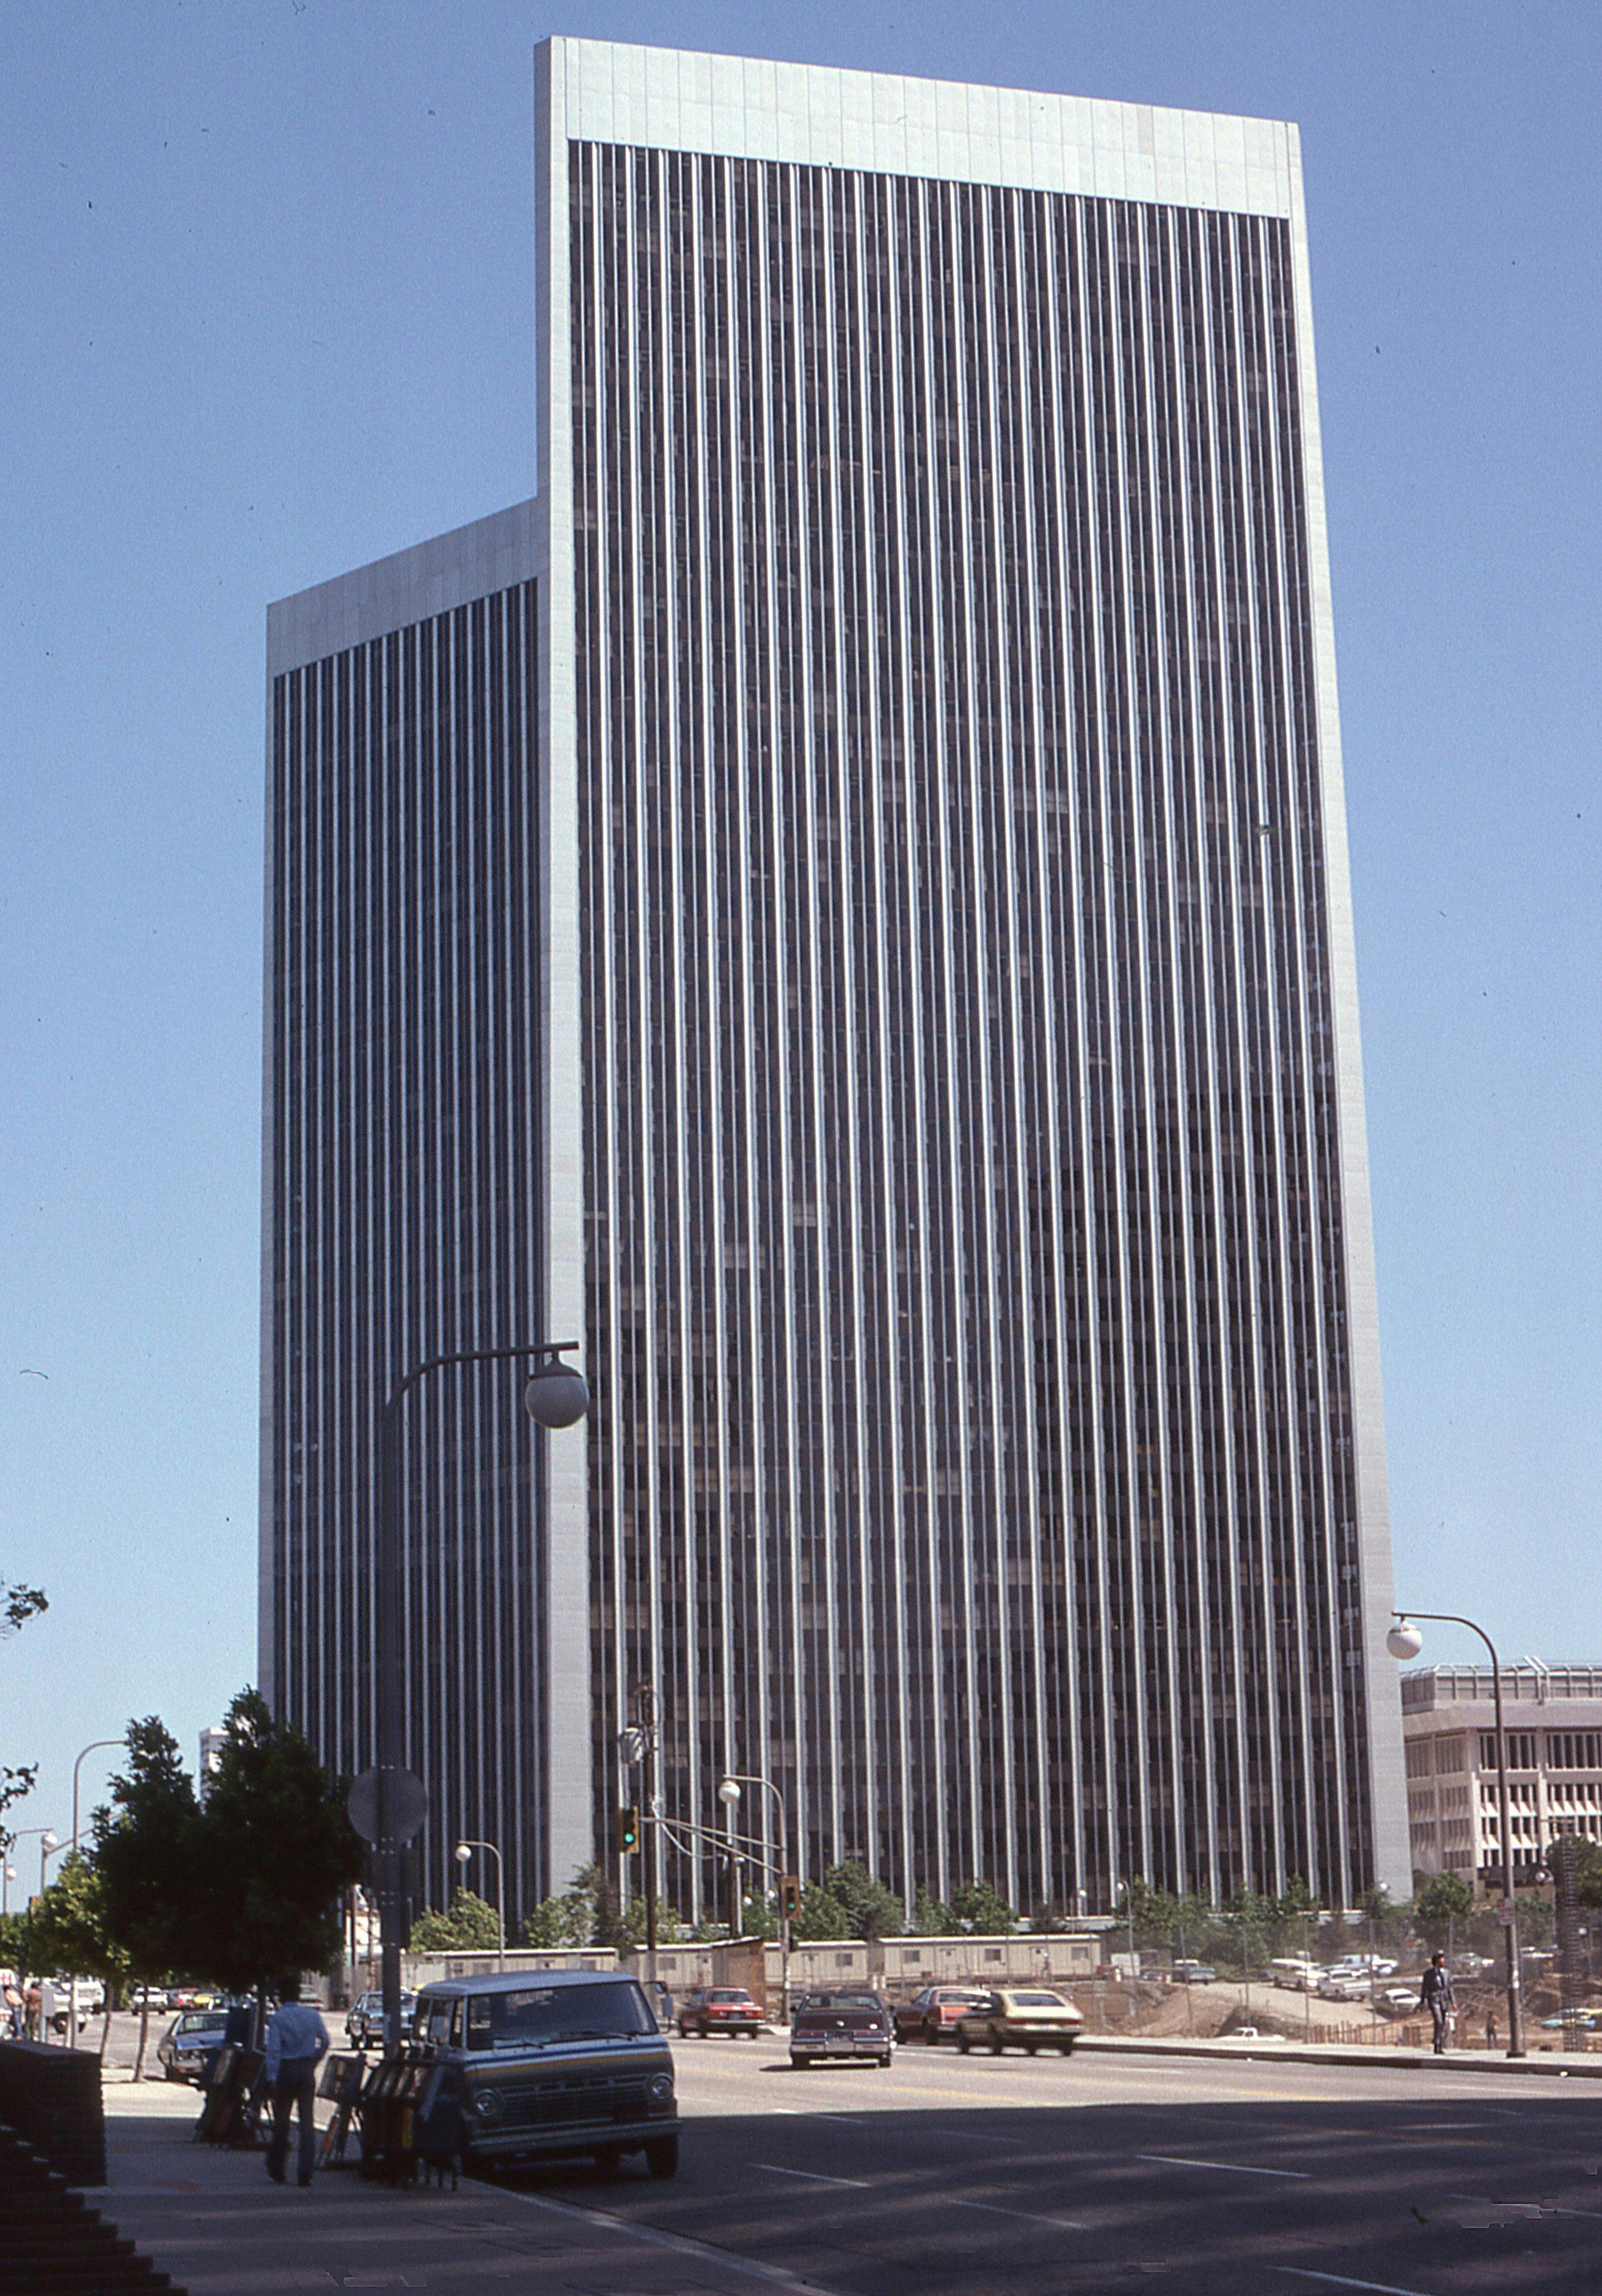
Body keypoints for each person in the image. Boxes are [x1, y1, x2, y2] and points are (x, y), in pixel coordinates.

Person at [262, 1982, 330, 2186]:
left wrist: (272, 2077)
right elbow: (325, 2041)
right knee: (307, 2122)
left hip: (286, 2069)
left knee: (282, 2121)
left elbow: (273, 2050)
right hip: (306, 2069)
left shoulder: (278, 2018)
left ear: (280, 1997)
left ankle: (278, 2168)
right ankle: (305, 2172)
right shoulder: (312, 2016)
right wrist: (314, 2060)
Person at [1420, 1952, 1455, 2055]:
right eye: (1441, 1959)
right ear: (1436, 1961)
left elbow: (1449, 1989)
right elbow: (1424, 1988)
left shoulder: (1447, 1973)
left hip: (1444, 2001)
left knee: (1443, 2023)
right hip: (1434, 2000)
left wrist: (1453, 2002)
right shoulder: (1428, 1974)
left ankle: (1438, 2046)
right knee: (1439, 2021)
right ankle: (1436, 2040)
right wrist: (1422, 2002)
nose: (1443, 1961)